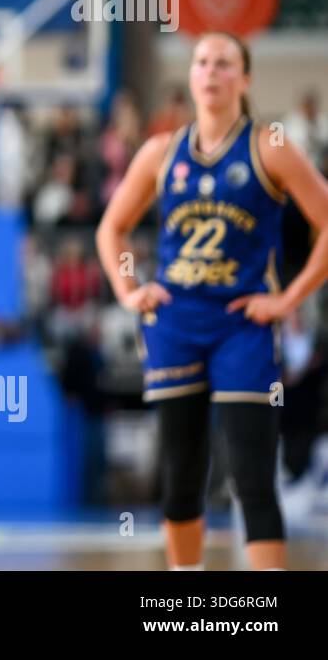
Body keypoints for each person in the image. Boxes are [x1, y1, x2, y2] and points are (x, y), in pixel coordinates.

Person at [96, 32, 328, 570]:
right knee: (181, 472)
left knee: (252, 473)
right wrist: (129, 288)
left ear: (244, 79)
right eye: (201, 61)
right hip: (175, 322)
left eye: (224, 63)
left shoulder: (268, 145)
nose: (210, 72)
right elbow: (113, 230)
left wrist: (289, 297)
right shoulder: (160, 151)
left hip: (241, 325)